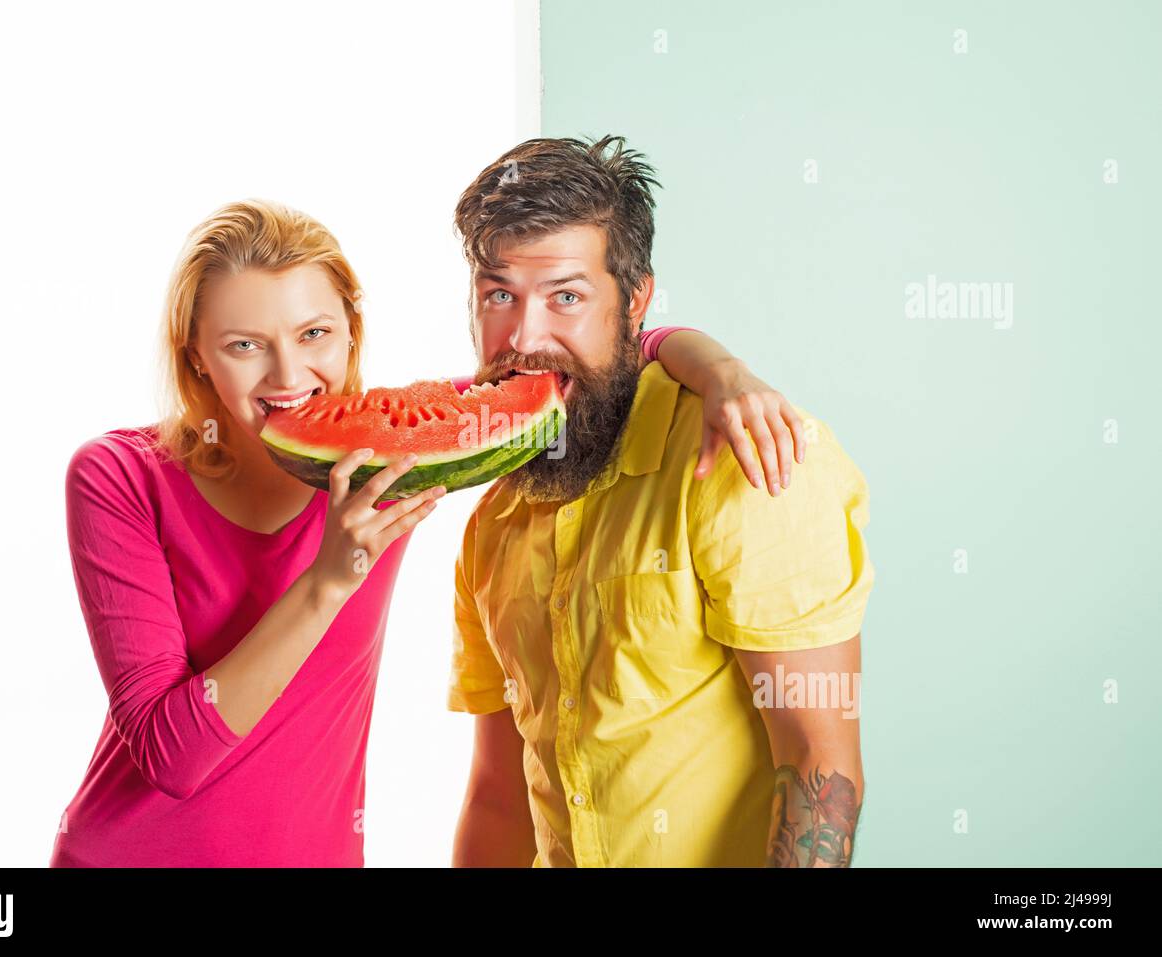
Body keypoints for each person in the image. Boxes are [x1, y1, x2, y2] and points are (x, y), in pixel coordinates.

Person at [50, 196, 808, 867]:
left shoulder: (391, 449)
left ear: (352, 330)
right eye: (244, 344)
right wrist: (327, 581)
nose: (289, 375)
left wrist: (721, 370)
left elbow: (566, 363)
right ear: (196, 355)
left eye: (314, 332)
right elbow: (170, 755)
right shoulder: (119, 477)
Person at [447, 136, 875, 867]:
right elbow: (497, 794)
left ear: (636, 299)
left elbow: (817, 768)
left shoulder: (743, 460)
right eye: (499, 295)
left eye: (567, 297)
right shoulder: (493, 524)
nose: (523, 337)